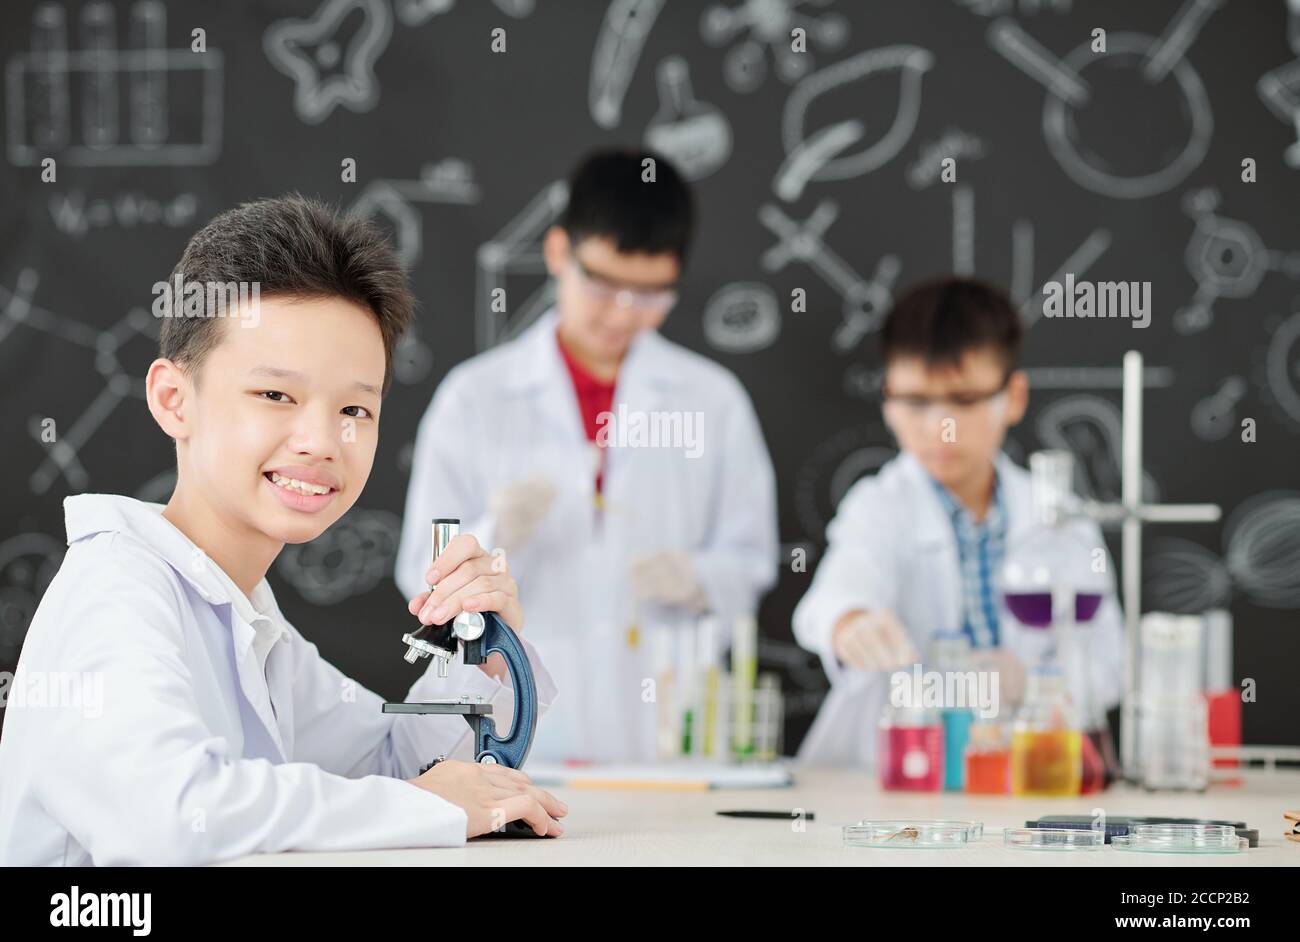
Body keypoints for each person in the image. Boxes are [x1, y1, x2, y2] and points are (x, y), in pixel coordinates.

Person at [0, 195, 565, 866]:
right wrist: (434, 805)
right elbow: (172, 816)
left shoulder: (246, 617)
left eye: (355, 407)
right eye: (276, 395)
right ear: (173, 399)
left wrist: (483, 648)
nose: (322, 441)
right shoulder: (117, 594)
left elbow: (389, 763)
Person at [395, 149, 779, 762]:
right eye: (602, 285)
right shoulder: (476, 397)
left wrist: (697, 579)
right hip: (519, 718)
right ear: (557, 253)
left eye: (650, 293)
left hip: (666, 723)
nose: (624, 313)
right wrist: (497, 536)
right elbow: (419, 569)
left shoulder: (713, 401)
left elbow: (752, 560)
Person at [792, 277, 1123, 767]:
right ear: (887, 399)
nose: (937, 427)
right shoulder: (879, 506)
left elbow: (1111, 666)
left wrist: (1031, 687)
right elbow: (835, 595)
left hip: (1026, 776)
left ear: (1012, 396)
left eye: (964, 400)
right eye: (916, 401)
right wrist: (850, 623)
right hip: (891, 780)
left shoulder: (1061, 519)